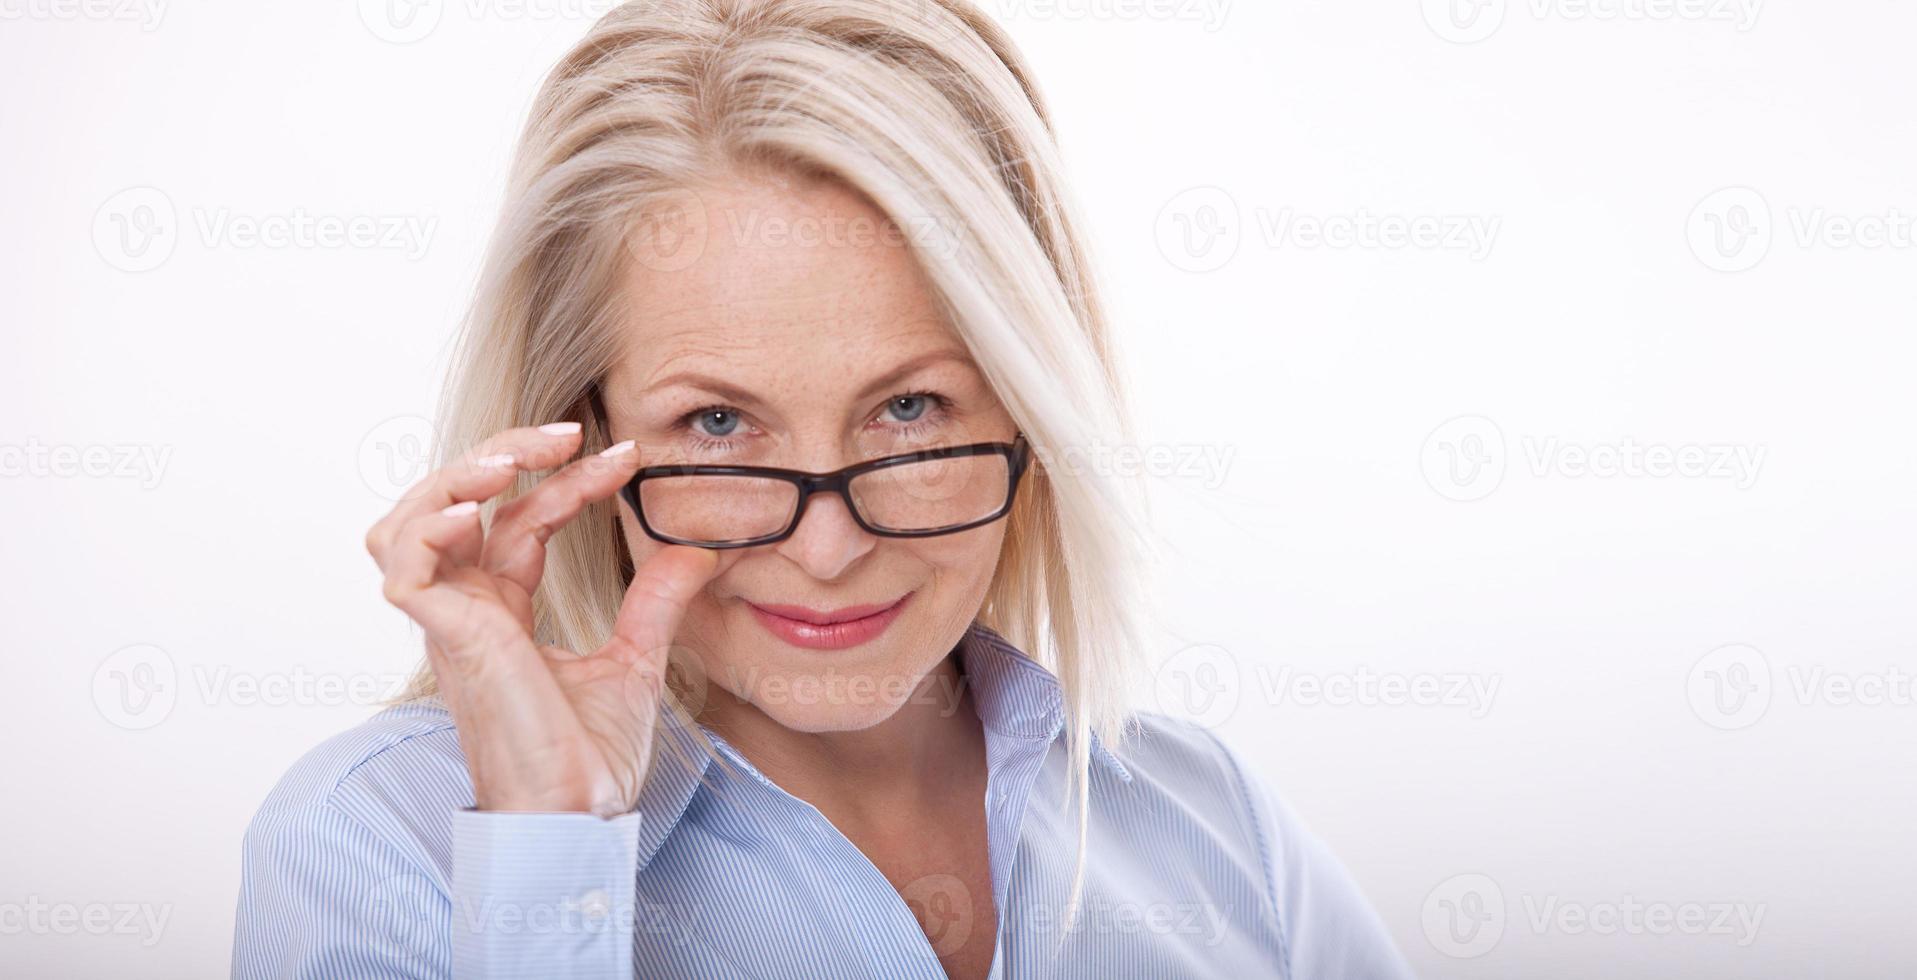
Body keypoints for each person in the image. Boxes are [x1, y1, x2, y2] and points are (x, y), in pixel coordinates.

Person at [232, 1, 1414, 976]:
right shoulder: (374, 841)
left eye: (911, 409)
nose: (832, 546)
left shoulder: (1210, 825)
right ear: (580, 432)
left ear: (1031, 409)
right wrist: (549, 851)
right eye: (717, 422)